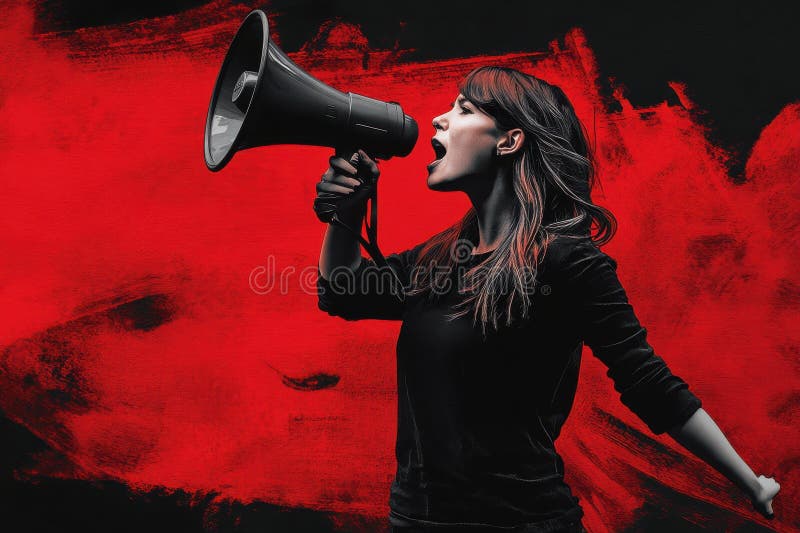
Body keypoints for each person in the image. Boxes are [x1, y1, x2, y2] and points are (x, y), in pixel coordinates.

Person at [313, 66, 780, 532]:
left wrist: (750, 482)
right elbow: (342, 291)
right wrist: (347, 211)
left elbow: (649, 384)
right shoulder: (441, 257)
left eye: (463, 109)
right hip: (415, 522)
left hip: (521, 523)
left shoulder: (566, 262)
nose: (438, 119)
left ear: (509, 141)